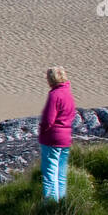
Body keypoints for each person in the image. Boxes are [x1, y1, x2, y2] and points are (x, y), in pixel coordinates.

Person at [38, 67, 76, 201]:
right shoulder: (68, 93)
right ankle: (62, 202)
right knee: (61, 174)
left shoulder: (55, 95)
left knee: (50, 174)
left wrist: (42, 130)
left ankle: (50, 204)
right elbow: (72, 114)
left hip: (52, 139)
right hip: (65, 139)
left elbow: (49, 120)